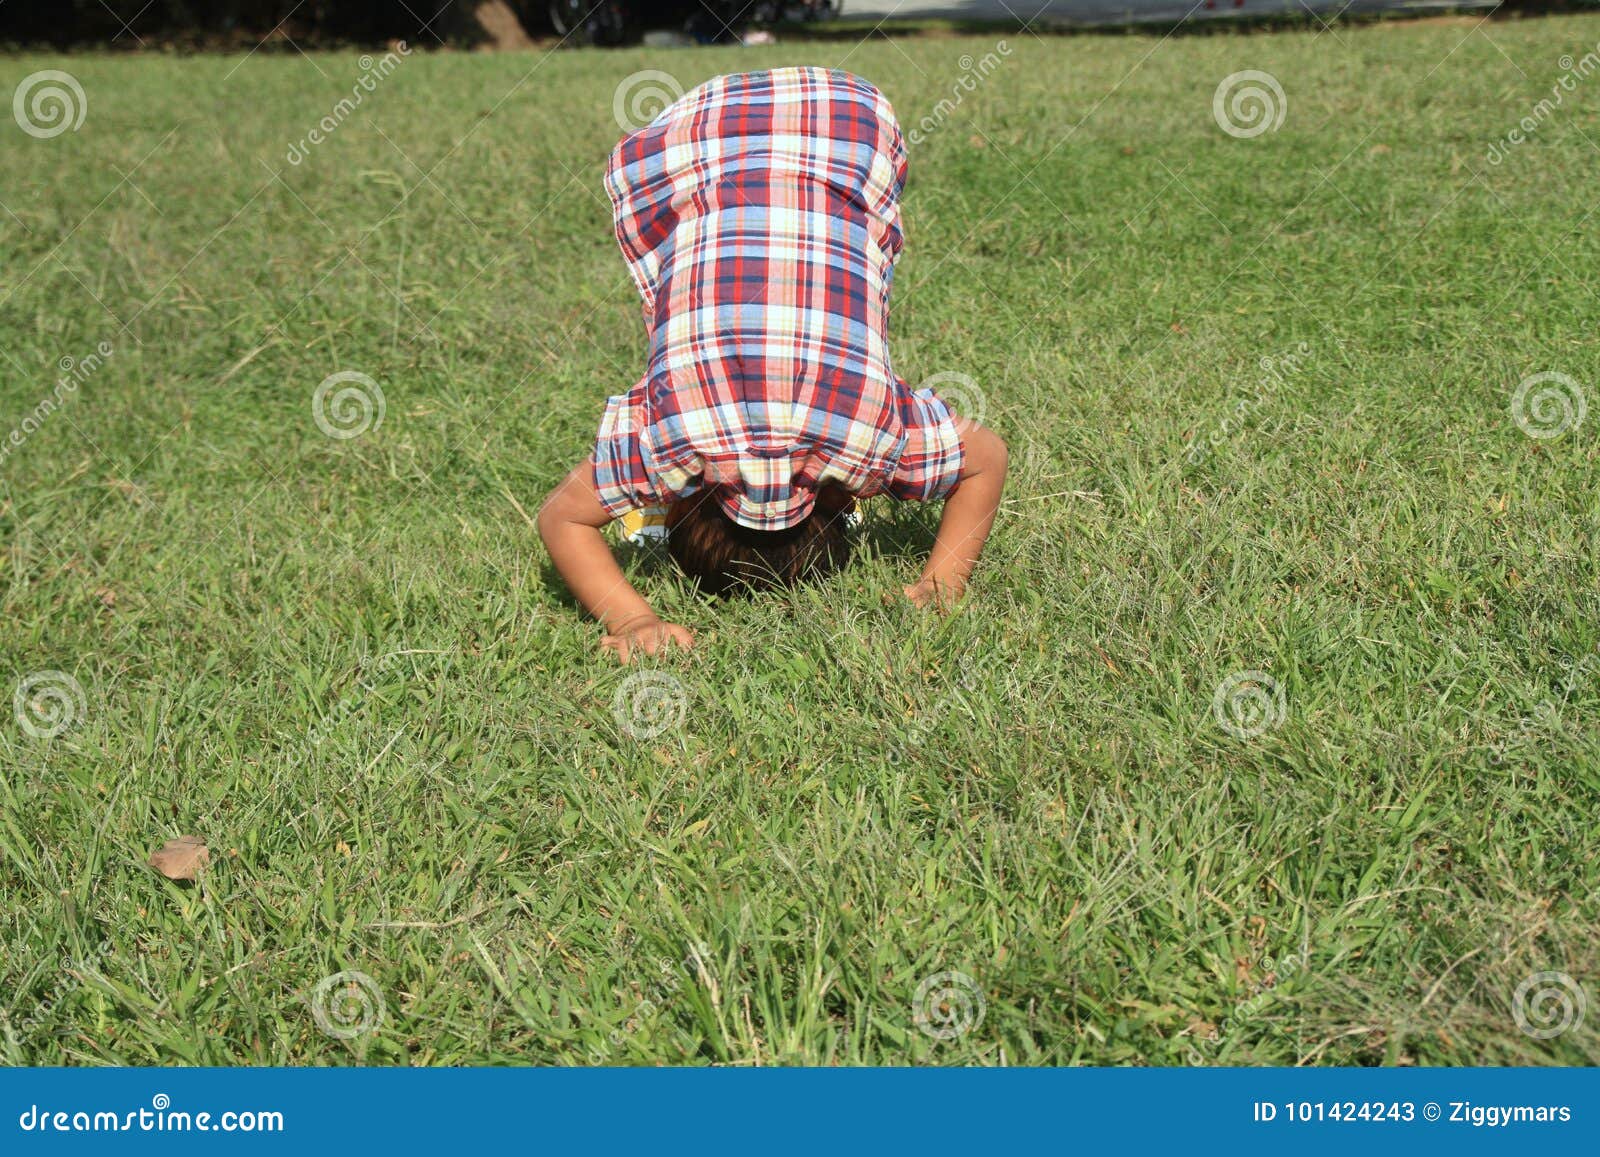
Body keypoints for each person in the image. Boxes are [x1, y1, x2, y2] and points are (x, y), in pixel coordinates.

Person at [538, 67, 1007, 663]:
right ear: (678, 500)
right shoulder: (670, 447)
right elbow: (561, 519)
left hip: (848, 127)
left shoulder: (871, 442)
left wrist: (944, 583)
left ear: (841, 504)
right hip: (690, 143)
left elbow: (986, 459)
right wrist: (631, 619)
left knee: (848, 251)